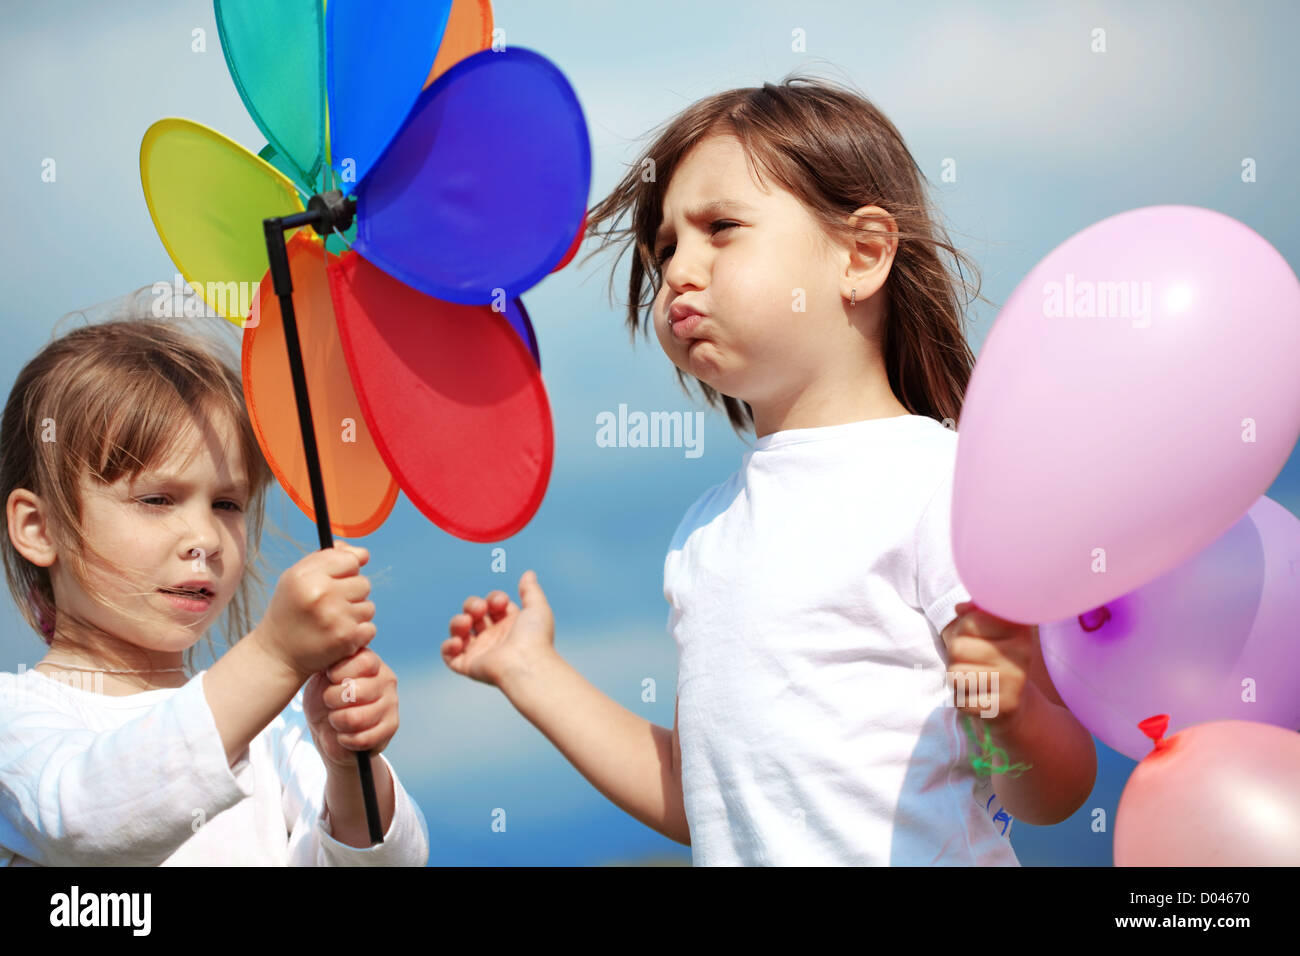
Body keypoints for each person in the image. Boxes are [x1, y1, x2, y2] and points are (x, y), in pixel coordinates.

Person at [440, 74, 1096, 865]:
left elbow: (1051, 790)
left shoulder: (944, 484)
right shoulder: (704, 534)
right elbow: (699, 793)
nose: (680, 269)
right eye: (667, 248)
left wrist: (1008, 713)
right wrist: (530, 671)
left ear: (862, 255)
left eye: (721, 228)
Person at [0, 307, 429, 866]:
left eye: (227, 504)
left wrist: (351, 769)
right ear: (39, 528)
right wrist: (275, 655)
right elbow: (88, 819)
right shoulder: (16, 711)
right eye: (156, 500)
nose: (204, 537)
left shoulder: (277, 724)